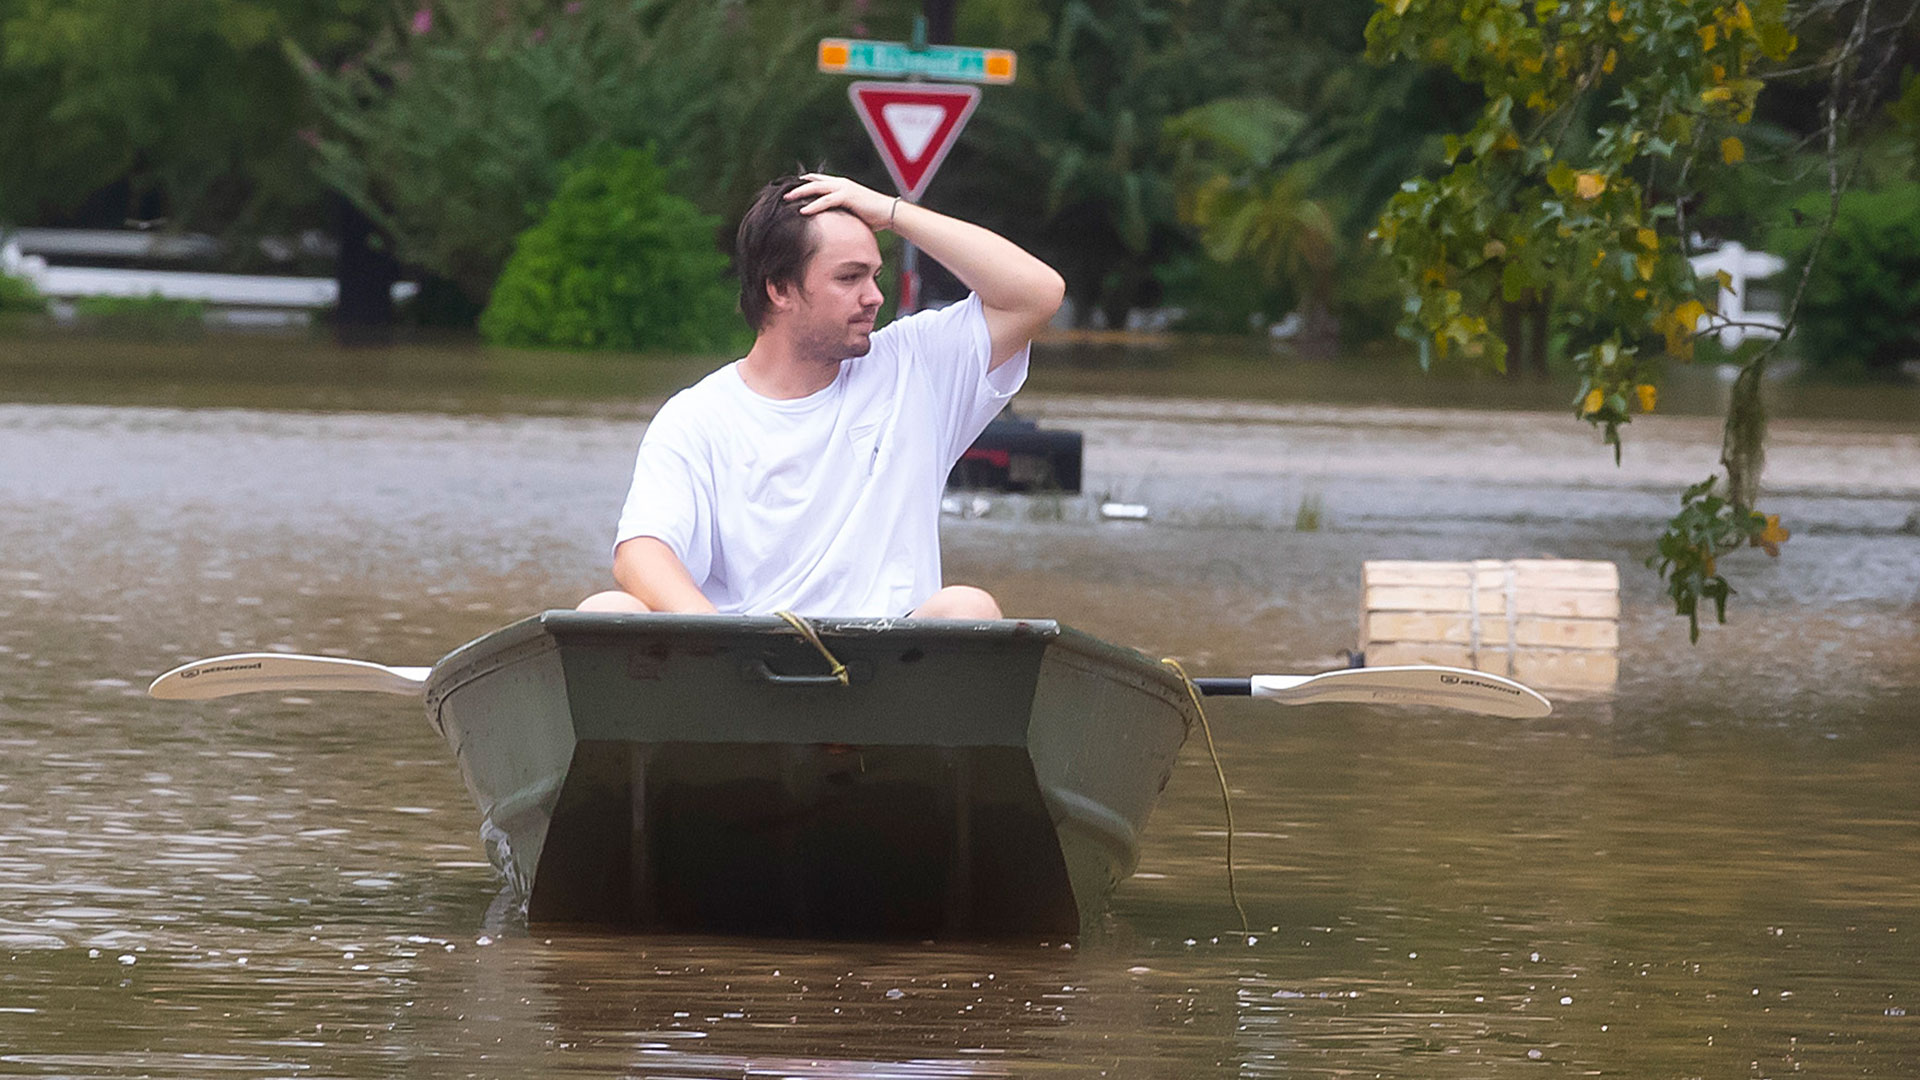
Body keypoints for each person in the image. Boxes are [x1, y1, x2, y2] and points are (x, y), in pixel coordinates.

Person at [577, 172, 1065, 618]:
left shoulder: (915, 367)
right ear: (780, 290)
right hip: (738, 670)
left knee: (968, 607)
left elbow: (1037, 294)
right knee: (606, 610)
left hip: (890, 666)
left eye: (875, 276)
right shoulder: (697, 417)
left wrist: (892, 212)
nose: (873, 296)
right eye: (849, 278)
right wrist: (721, 639)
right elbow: (640, 552)